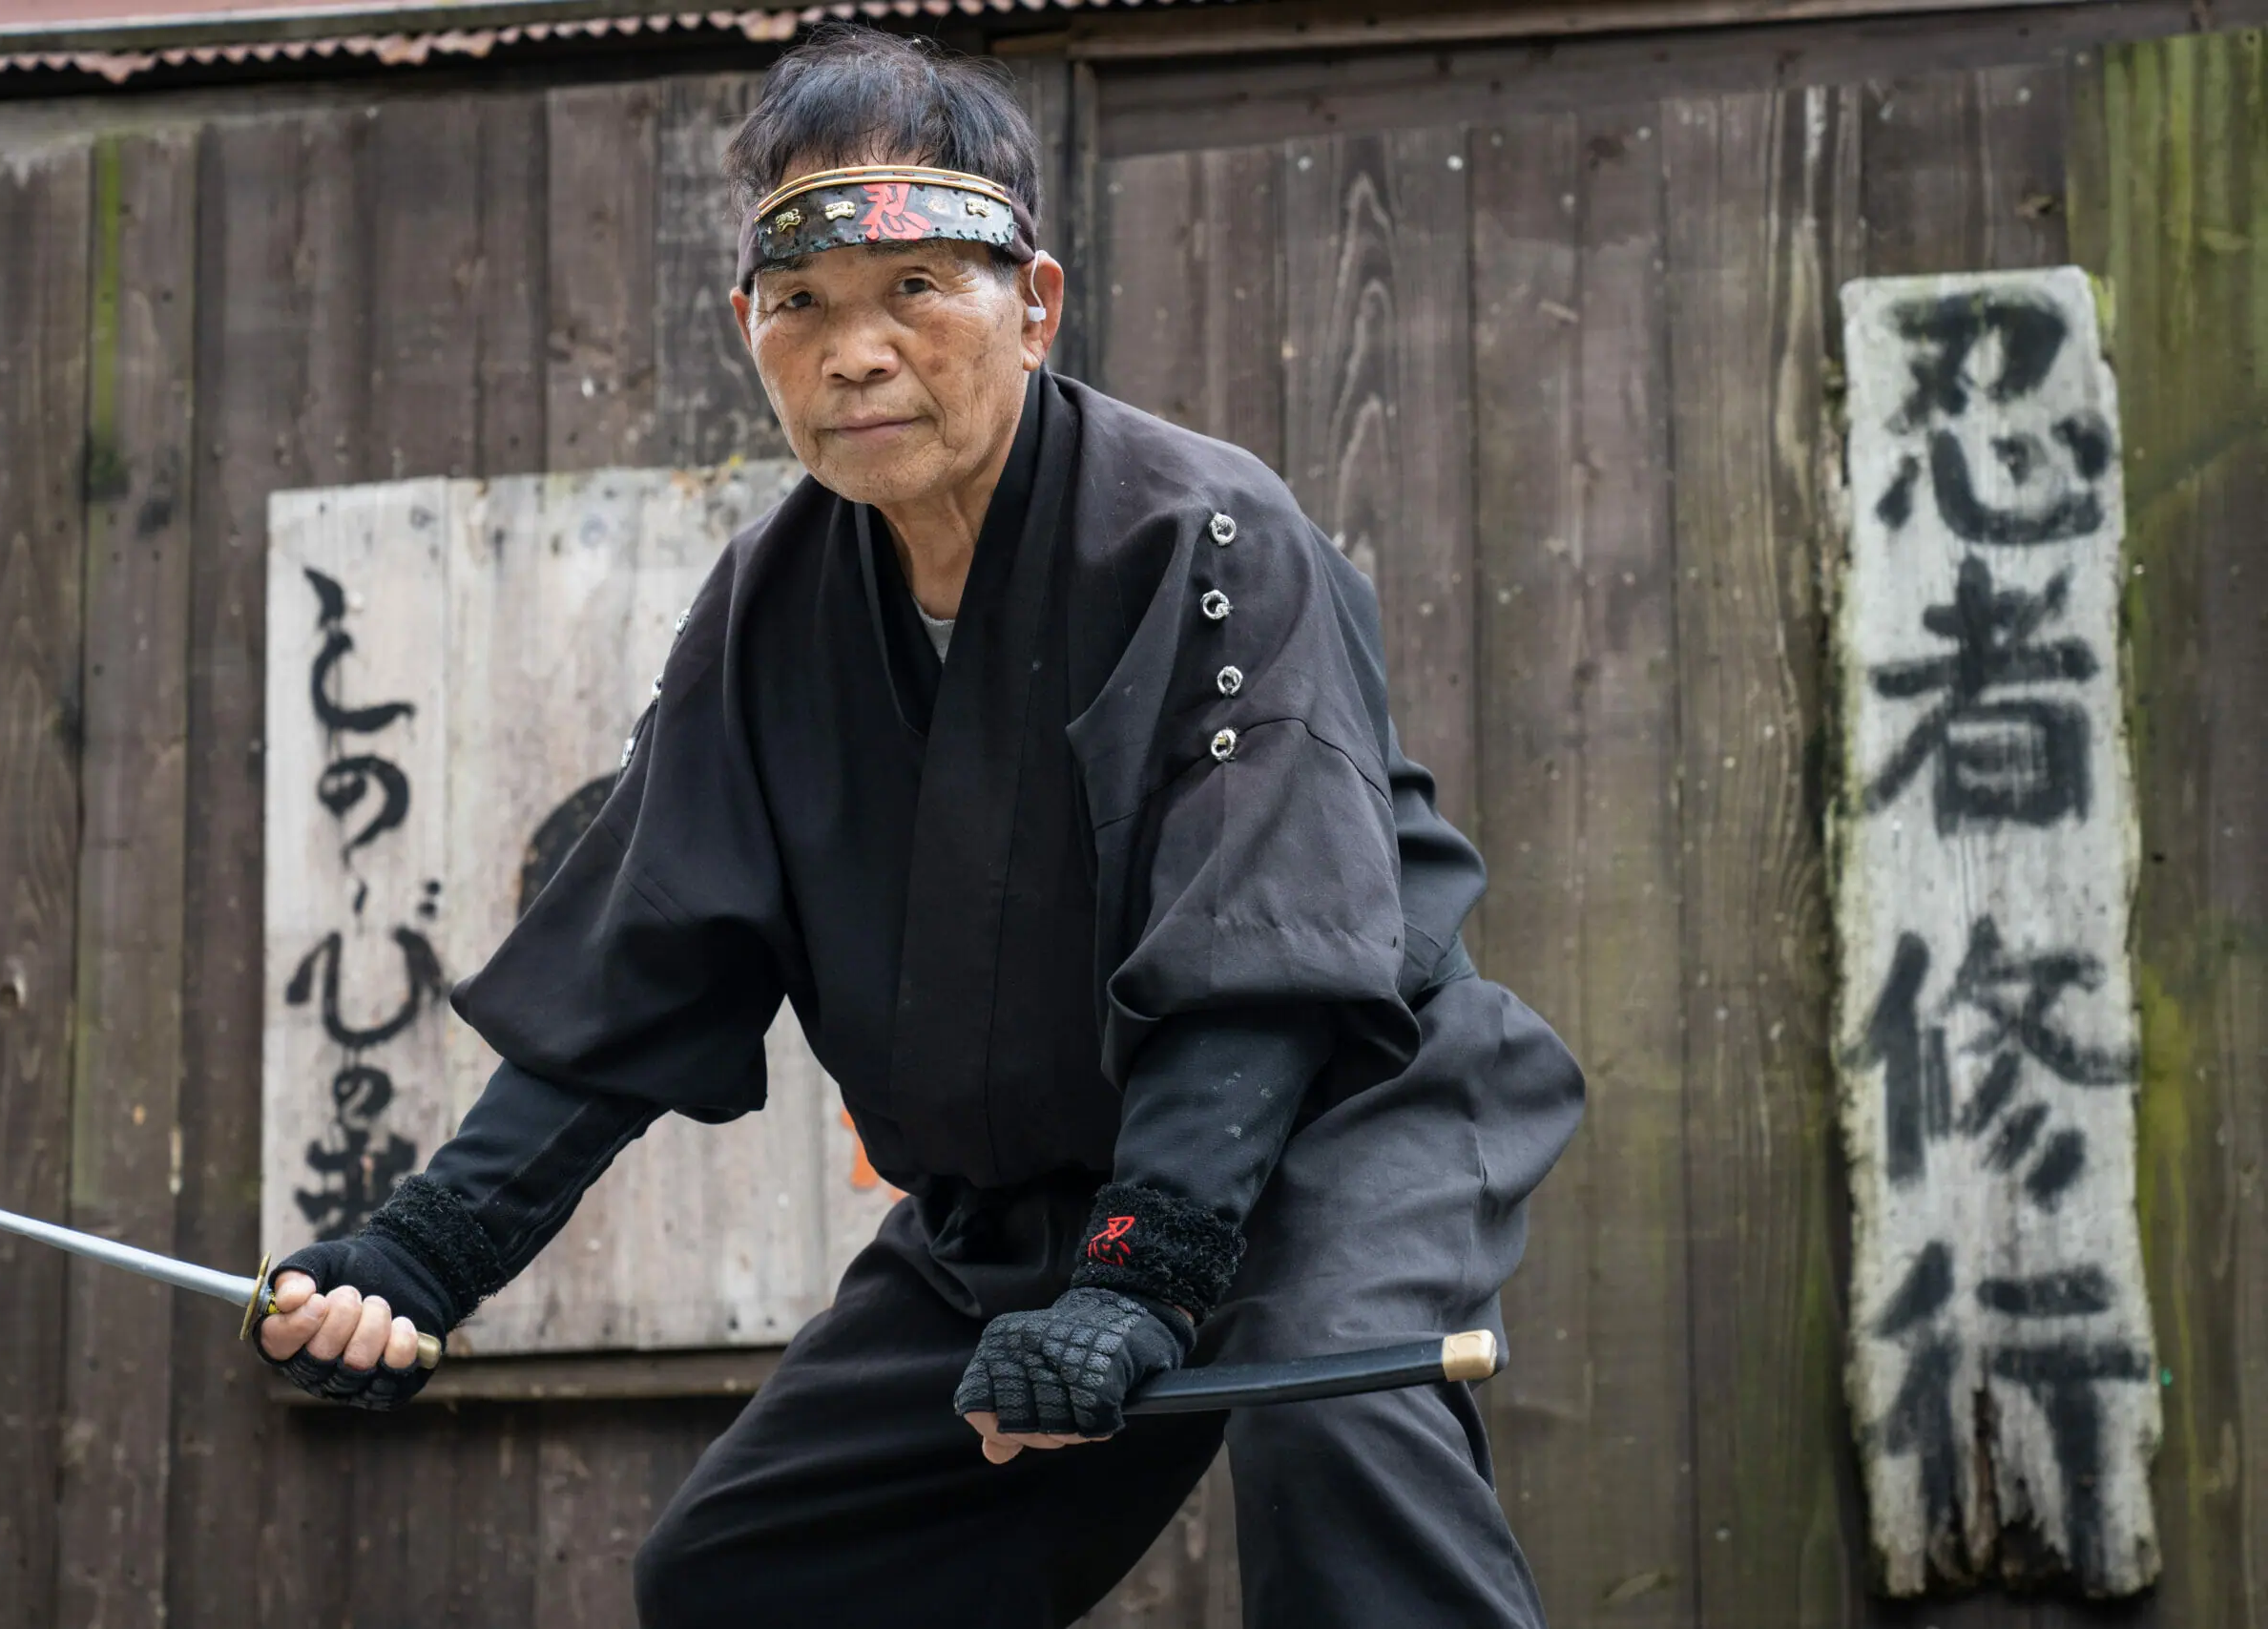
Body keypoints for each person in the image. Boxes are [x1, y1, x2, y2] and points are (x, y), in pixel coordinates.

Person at [254, 25, 1583, 1628]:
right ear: (749, 328)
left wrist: (1144, 1273)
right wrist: (422, 1254)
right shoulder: (767, 611)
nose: (856, 354)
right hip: (1030, 1198)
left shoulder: (1207, 534)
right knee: (747, 1575)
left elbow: (1265, 945)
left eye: (914, 291)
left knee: (1331, 1417)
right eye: (802, 305)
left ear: (1035, 303)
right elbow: (636, 968)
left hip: (1342, 1111)